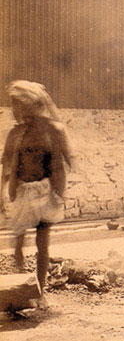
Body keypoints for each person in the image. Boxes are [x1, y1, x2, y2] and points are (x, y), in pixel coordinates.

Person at [1, 81, 72, 308]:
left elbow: (62, 162)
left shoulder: (53, 130)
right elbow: (6, 166)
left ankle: (40, 291)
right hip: (22, 190)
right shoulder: (16, 133)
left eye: (24, 107)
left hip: (45, 191)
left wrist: (60, 192)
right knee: (18, 245)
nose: (20, 112)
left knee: (43, 243)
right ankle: (21, 287)